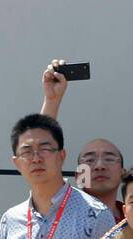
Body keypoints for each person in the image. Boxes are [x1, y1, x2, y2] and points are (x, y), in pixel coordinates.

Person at [38, 57, 127, 220]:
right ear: (78, 176)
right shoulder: (59, 213)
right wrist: (52, 100)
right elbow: (42, 152)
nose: (99, 166)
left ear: (123, 173)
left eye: (109, 159)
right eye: (90, 160)